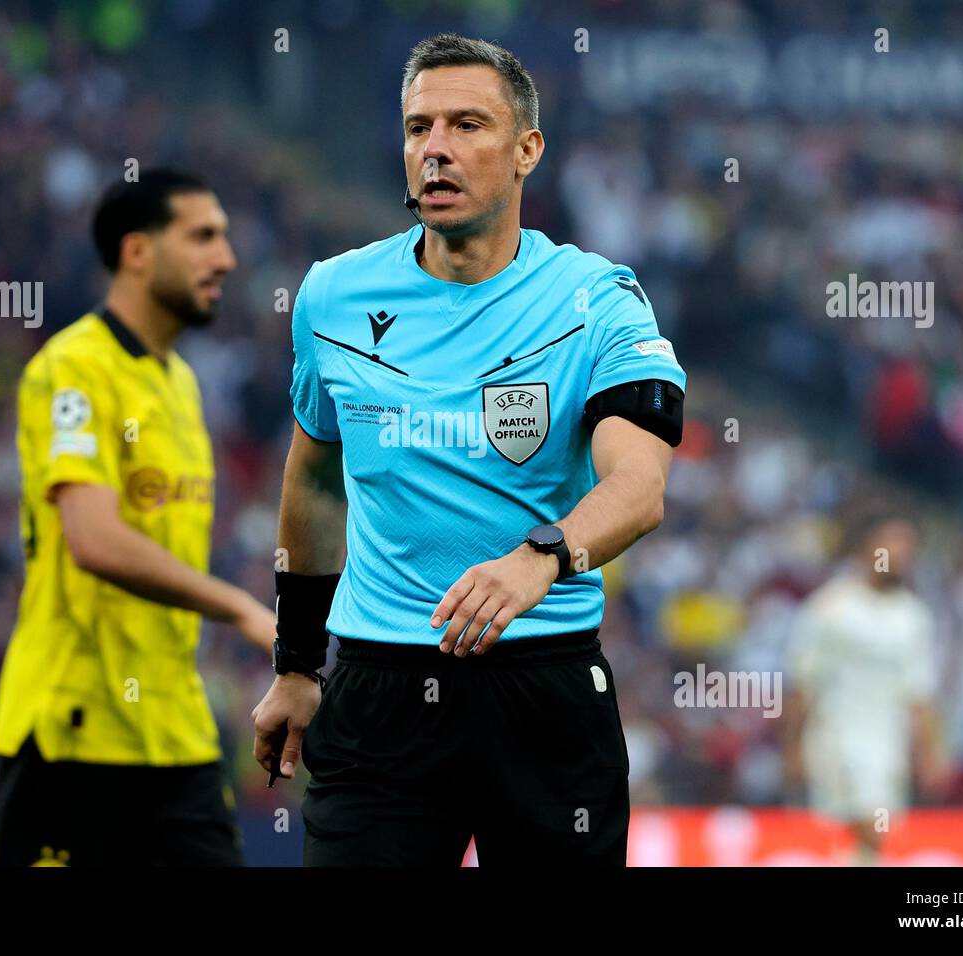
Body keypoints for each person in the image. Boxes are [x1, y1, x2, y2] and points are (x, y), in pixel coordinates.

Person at [252, 34, 686, 866]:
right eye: (418, 129)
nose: (436, 149)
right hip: (379, 697)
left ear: (527, 150)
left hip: (543, 691)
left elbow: (640, 484)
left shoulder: (596, 300)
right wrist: (299, 665)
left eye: (466, 125)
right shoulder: (332, 296)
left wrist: (541, 558)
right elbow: (314, 480)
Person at [0, 169, 276, 866]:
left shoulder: (179, 382)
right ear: (138, 252)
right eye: (203, 236)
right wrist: (238, 606)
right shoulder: (73, 369)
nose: (227, 259)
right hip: (72, 733)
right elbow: (93, 539)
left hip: (174, 732)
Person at [784, 510, 950, 865]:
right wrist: (793, 748)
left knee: (867, 848)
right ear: (867, 548)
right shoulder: (832, 607)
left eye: (909, 544)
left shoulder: (914, 617)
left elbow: (919, 696)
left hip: (888, 749)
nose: (902, 551)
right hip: (837, 742)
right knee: (869, 831)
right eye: (892, 541)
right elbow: (803, 684)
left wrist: (931, 755)